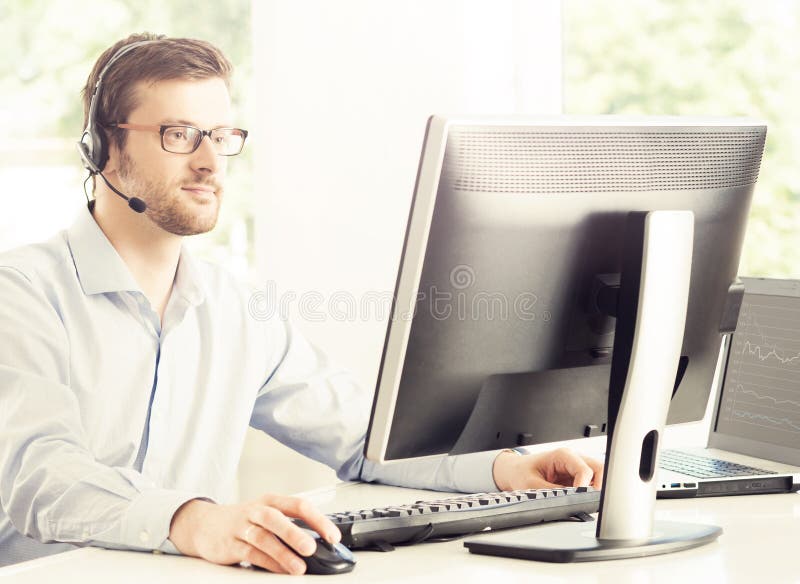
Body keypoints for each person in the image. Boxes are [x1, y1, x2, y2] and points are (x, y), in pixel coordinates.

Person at [0, 33, 603, 575]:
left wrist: (503, 471)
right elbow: (38, 475)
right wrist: (195, 520)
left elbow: (364, 439)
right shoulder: (22, 292)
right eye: (179, 134)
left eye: (221, 136)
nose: (210, 161)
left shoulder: (239, 309)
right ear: (102, 146)